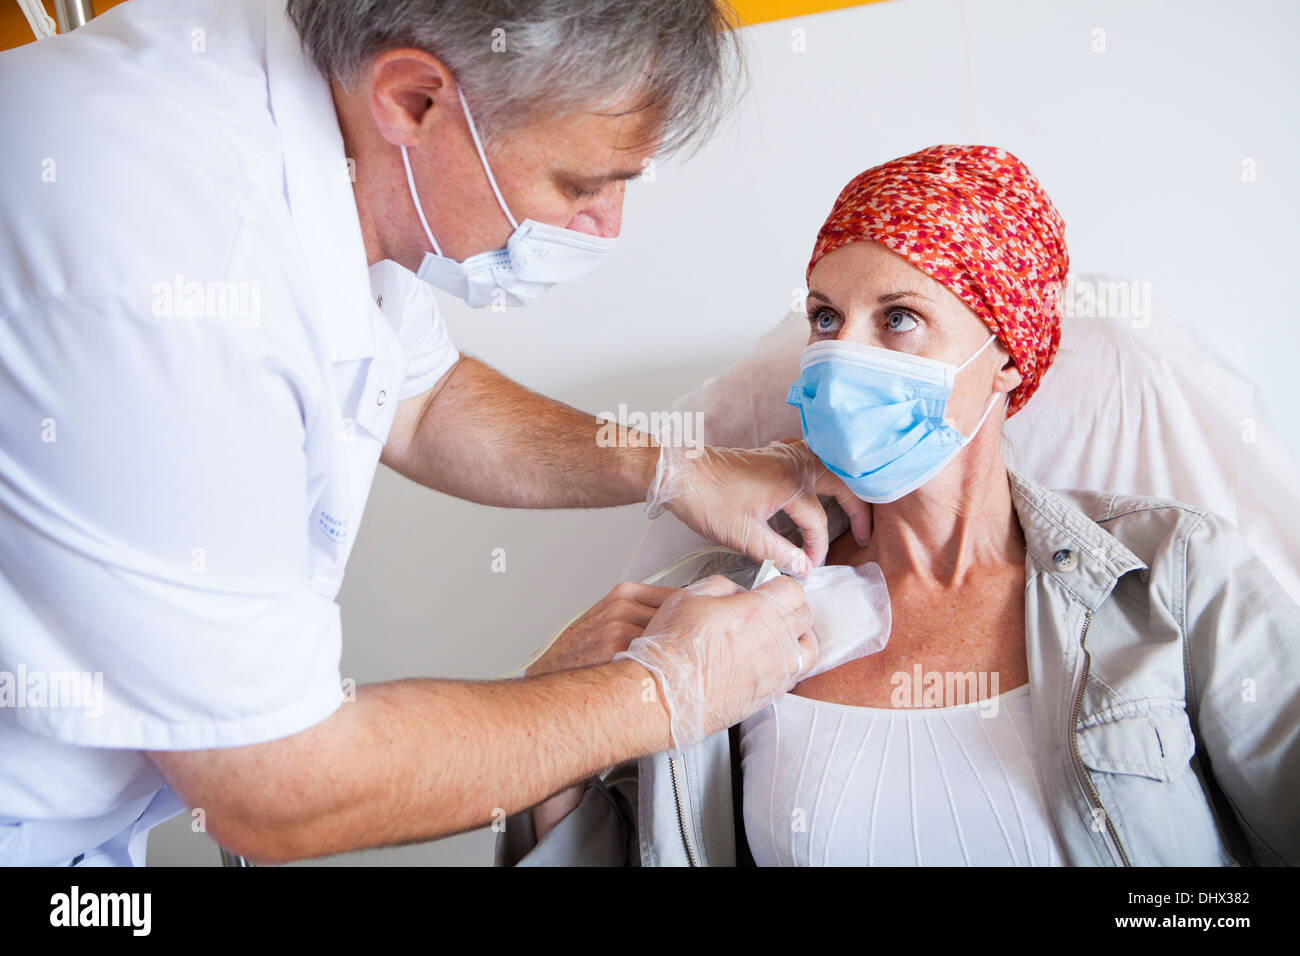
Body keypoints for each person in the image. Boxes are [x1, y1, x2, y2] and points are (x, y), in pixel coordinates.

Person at [0, 0, 875, 866]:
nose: (605, 226)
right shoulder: (173, 268)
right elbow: (275, 791)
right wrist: (663, 694)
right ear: (413, 100)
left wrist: (675, 465)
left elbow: (424, 399)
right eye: (580, 183)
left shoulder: (335, 123)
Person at [499, 145, 1300, 866]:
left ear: (1008, 361)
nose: (844, 355)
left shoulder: (1171, 572)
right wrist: (548, 720)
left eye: (900, 319)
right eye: (824, 318)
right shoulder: (720, 609)